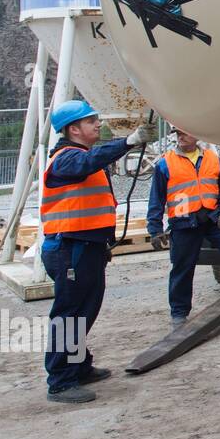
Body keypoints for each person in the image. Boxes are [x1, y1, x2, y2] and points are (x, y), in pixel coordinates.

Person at [39, 101, 152, 403]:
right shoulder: (66, 159)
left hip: (85, 248)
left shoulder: (83, 157)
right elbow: (88, 166)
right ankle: (60, 381)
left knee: (85, 310)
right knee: (70, 314)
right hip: (69, 249)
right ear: (73, 129)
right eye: (91, 122)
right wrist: (129, 141)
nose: (97, 125)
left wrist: (103, 244)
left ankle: (79, 366)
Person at [147, 128, 220, 327]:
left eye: (184, 133)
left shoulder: (213, 160)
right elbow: (156, 200)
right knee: (182, 268)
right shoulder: (165, 164)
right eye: (177, 134)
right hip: (183, 224)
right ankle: (179, 312)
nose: (180, 137)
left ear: (197, 135)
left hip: (212, 219)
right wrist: (155, 229)